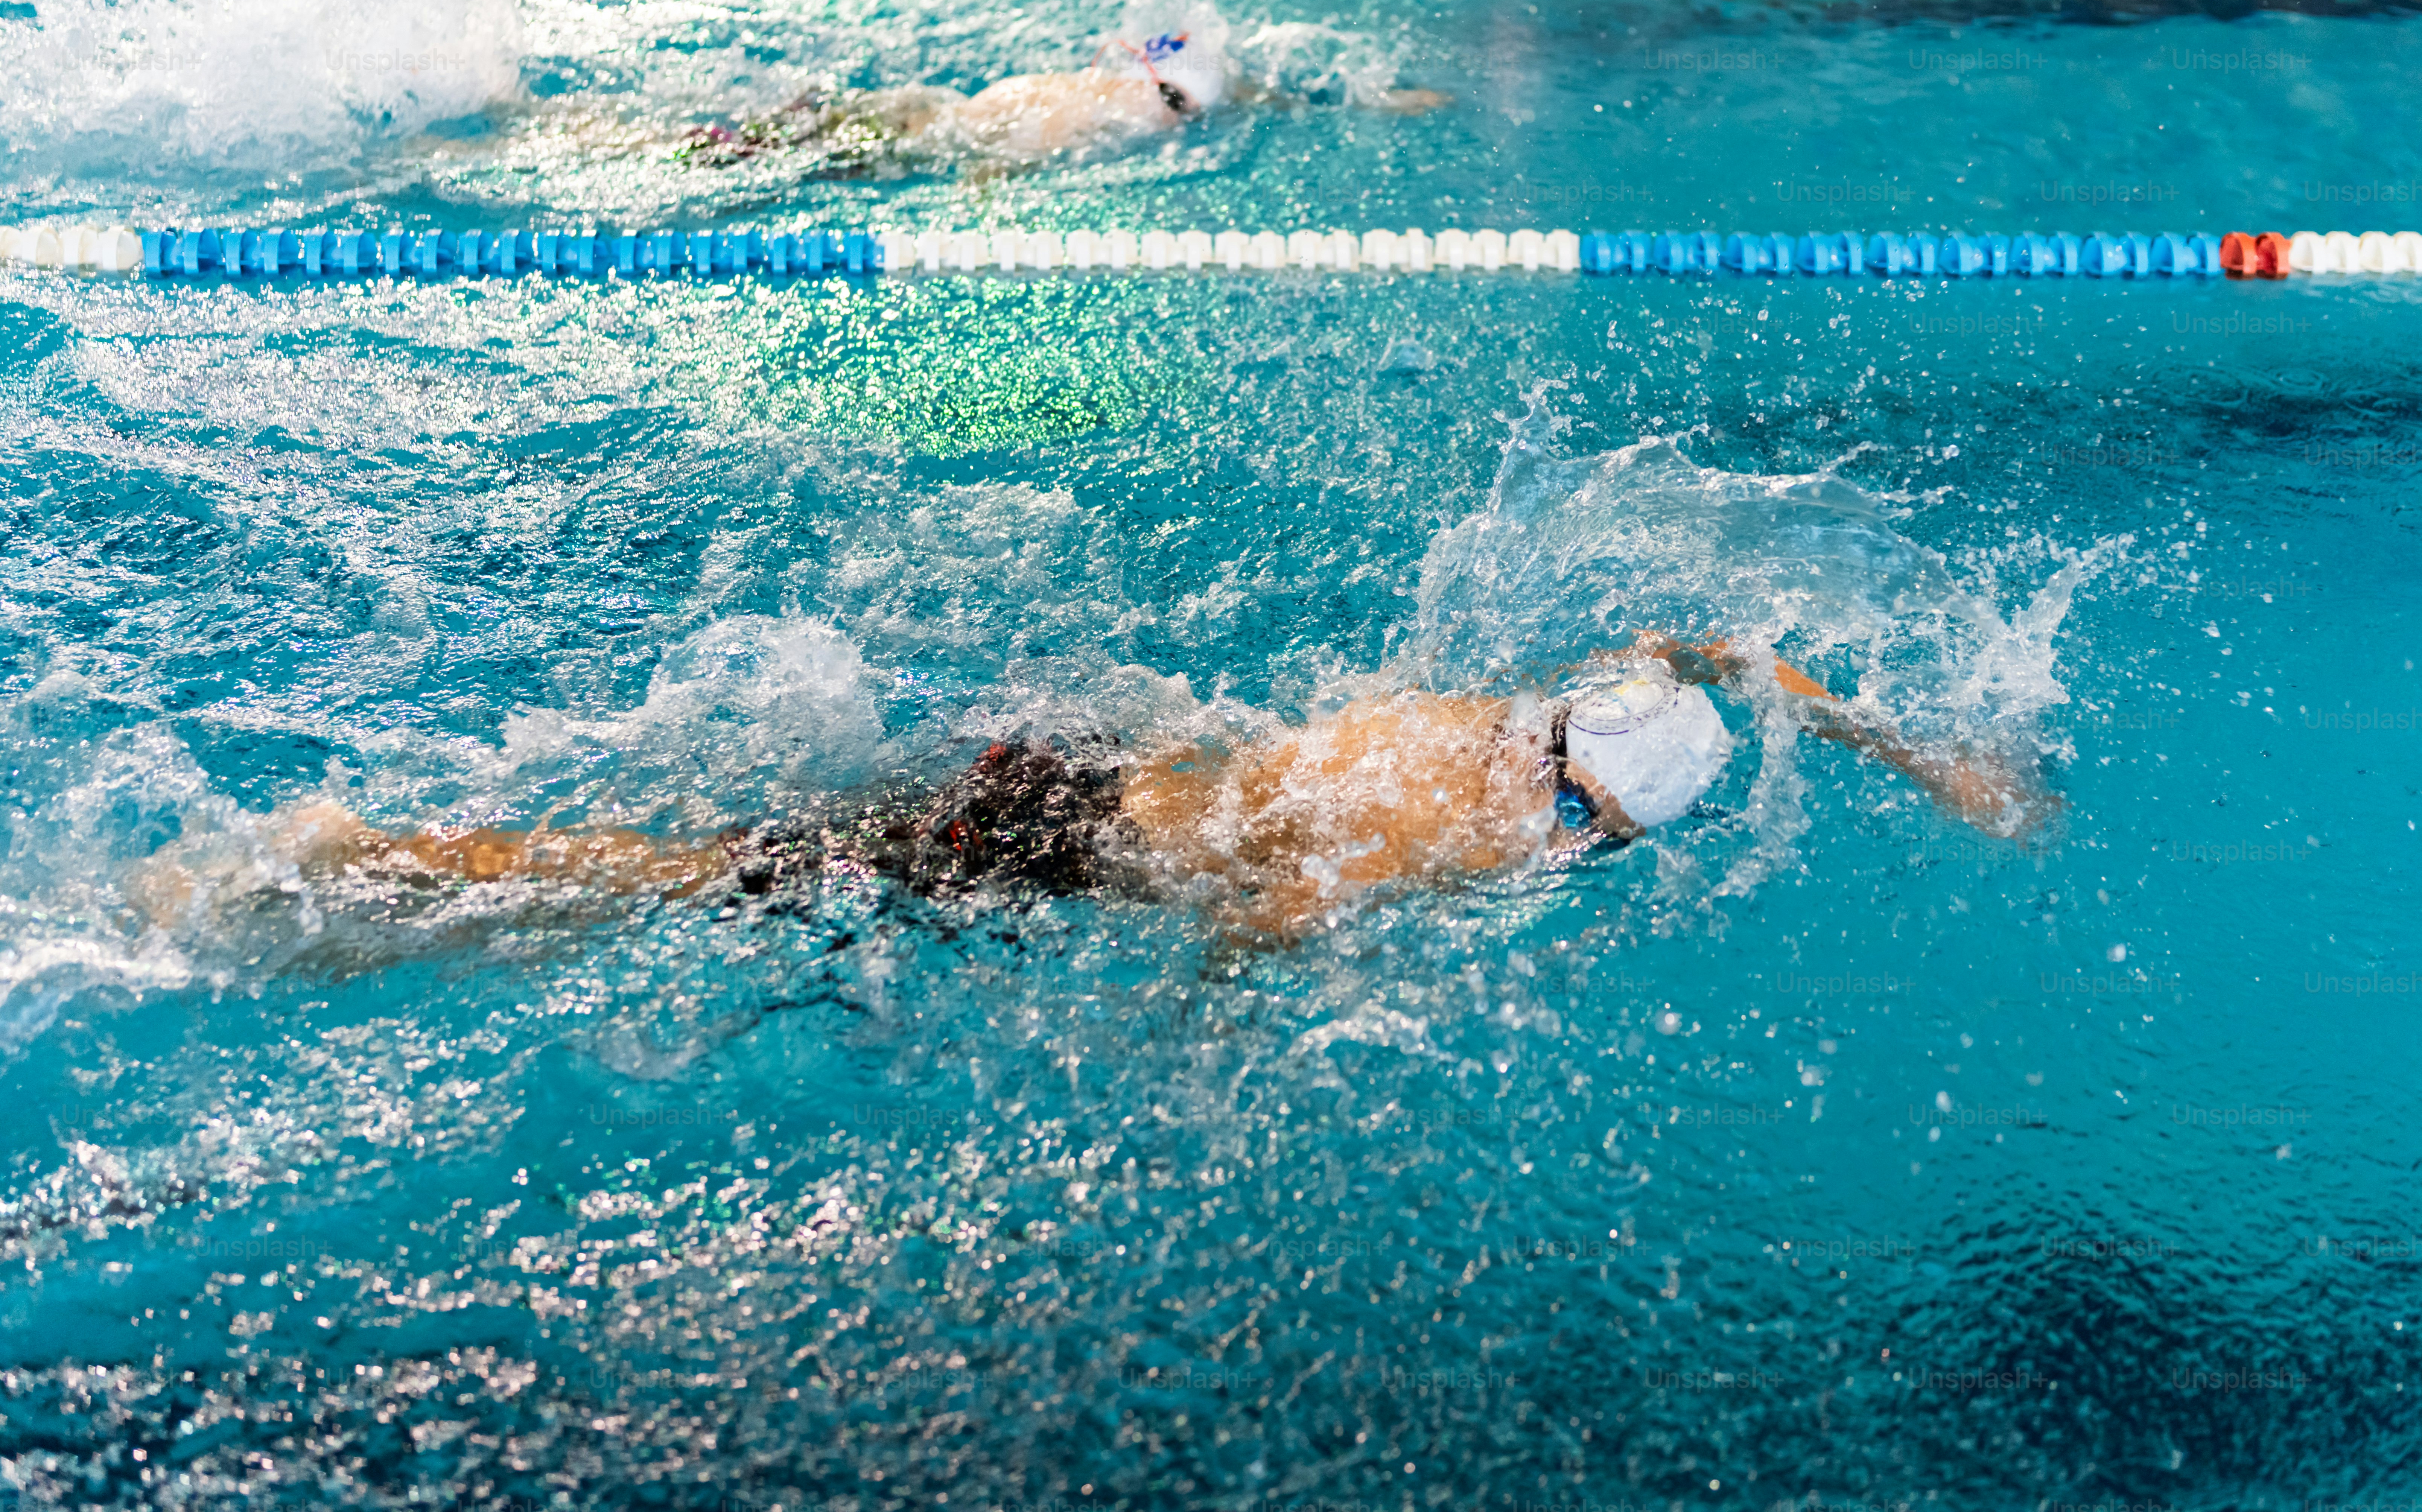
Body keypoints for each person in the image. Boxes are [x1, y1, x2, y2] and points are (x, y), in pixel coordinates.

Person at [216, 634, 2055, 942]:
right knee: (687, 876)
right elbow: (1272, 908)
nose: (1575, 850)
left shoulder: (1507, 712)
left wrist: (1926, 754)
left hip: (1083, 778)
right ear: (1578, 807)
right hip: (1058, 853)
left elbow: (1733, 650)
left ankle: (396, 859)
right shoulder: (1460, 827)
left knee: (739, 839)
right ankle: (370, 871)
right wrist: (1216, 1038)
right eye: (1598, 834)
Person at [671, 27, 1447, 179]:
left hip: (919, 109)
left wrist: (1383, 105)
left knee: (773, 133)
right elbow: (999, 159)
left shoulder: (1124, 88)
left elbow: (1261, 97)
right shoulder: (1096, 117)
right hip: (905, 141)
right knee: (740, 156)